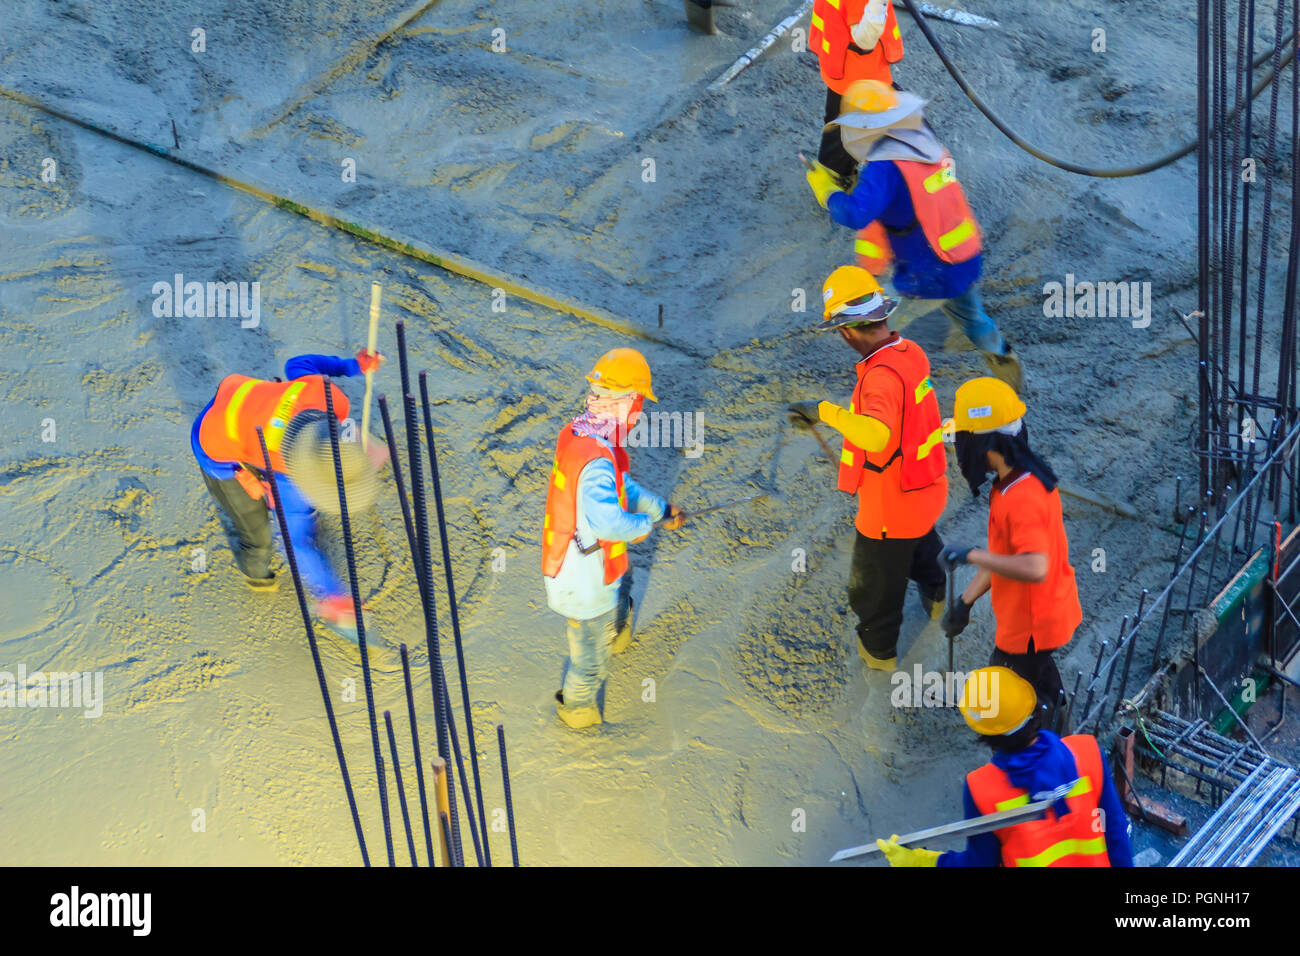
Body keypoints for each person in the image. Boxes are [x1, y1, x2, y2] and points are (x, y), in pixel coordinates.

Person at [805, 80, 1023, 391]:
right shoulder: (926, 144)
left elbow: (858, 214)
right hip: (962, 256)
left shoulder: (884, 166)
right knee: (971, 315)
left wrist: (827, 192)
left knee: (887, 331)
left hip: (926, 268)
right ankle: (1003, 357)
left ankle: (914, 393)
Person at [191, 349, 386, 637]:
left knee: (294, 509)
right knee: (257, 531)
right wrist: (241, 474)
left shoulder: (330, 397)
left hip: (243, 393)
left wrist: (351, 366)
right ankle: (256, 576)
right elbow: (295, 542)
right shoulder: (283, 465)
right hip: (213, 437)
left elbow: (299, 364)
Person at [814, 265, 947, 671]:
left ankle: (880, 658)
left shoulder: (880, 377)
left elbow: (875, 435)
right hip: (925, 488)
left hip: (889, 506)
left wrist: (824, 412)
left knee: (873, 590)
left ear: (847, 330)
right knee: (923, 547)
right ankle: (939, 597)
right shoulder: (911, 352)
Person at [542, 348, 684, 729]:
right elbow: (607, 522)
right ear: (628, 403)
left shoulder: (582, 434)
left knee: (626, 580)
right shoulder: (598, 459)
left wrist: (660, 509)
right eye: (639, 403)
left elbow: (621, 486)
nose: (639, 412)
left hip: (597, 561)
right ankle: (577, 710)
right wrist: (643, 525)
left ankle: (618, 631)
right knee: (589, 661)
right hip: (582, 579)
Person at [876, 666, 1134, 867]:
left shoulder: (982, 789)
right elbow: (1115, 834)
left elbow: (980, 864)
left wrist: (922, 860)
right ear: (1033, 709)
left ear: (983, 734)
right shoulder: (1087, 752)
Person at [939, 377, 1082, 728]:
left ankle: (1041, 744)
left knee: (1007, 693)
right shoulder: (1018, 478)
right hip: (1044, 613)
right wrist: (965, 601)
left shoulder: (1022, 497)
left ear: (987, 444)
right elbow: (1004, 554)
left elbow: (1034, 566)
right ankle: (1059, 716)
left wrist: (970, 554)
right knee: (1040, 676)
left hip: (1031, 624)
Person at [809, 0, 905, 182]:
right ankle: (833, 180)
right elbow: (865, 40)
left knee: (840, 123)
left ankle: (833, 173)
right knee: (848, 131)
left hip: (842, 68)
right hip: (860, 75)